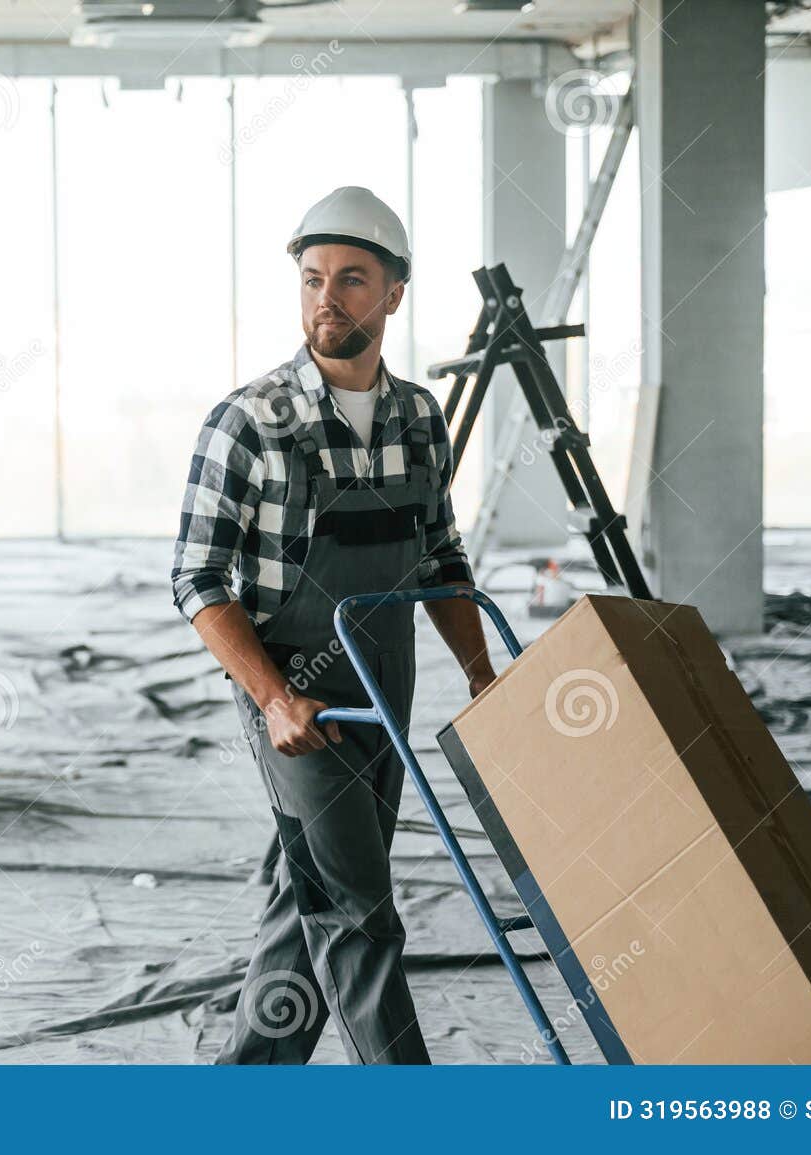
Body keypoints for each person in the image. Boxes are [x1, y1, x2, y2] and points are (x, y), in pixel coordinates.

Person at [171, 186, 497, 1064]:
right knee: (357, 910)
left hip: (385, 687)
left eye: (353, 280)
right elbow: (196, 577)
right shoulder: (248, 421)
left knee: (306, 901)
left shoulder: (419, 417)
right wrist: (273, 697)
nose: (328, 298)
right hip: (295, 702)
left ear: (394, 293)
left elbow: (441, 556)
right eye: (314, 279)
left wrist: (480, 671)